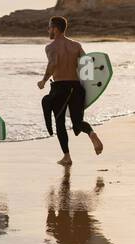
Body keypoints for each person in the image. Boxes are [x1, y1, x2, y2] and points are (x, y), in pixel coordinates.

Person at [37, 15, 103, 166]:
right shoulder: (76, 45)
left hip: (60, 88)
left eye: (49, 27)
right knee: (77, 122)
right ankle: (92, 134)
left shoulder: (50, 47)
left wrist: (43, 81)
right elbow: (87, 65)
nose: (48, 30)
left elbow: (53, 63)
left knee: (60, 123)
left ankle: (67, 157)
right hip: (77, 87)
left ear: (55, 28)